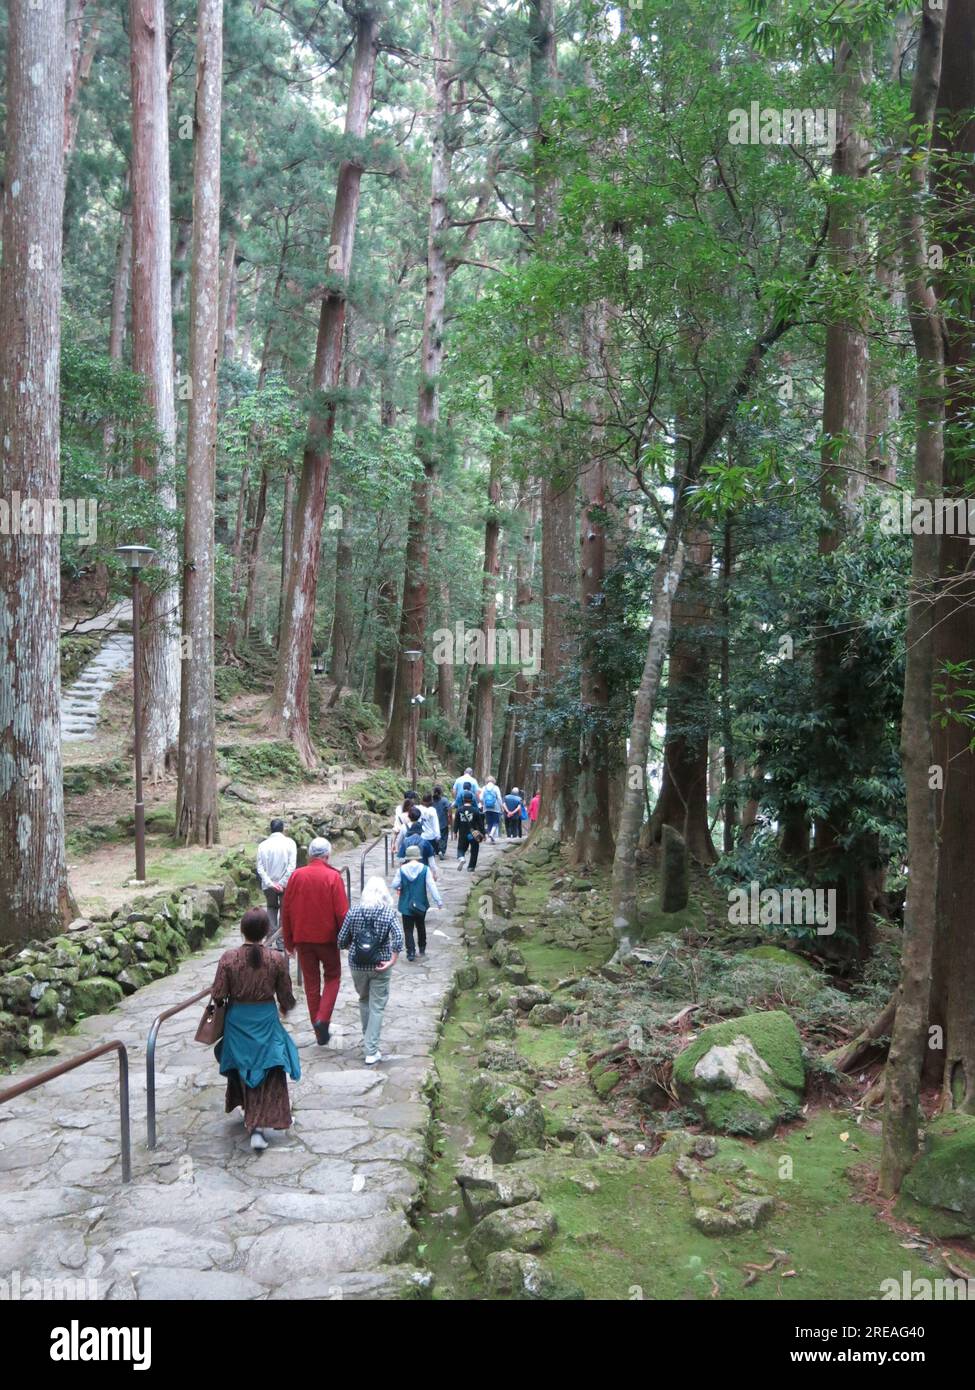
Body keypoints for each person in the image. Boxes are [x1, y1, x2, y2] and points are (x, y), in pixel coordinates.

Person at [210, 907, 301, 1152]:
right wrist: (285, 1007)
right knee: (270, 1068)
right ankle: (262, 1121)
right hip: (265, 1019)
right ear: (266, 931)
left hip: (238, 1021)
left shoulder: (228, 958)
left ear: (242, 930)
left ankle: (253, 1119)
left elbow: (218, 993)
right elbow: (285, 994)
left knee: (244, 1069)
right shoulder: (275, 959)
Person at [281, 837, 349, 1045]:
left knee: (311, 983)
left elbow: (287, 909)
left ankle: (318, 1030)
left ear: (310, 855)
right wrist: (345, 938)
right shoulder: (333, 877)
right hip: (327, 939)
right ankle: (323, 1018)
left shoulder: (296, 876)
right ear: (327, 855)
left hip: (302, 938)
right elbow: (342, 912)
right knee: (333, 976)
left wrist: (289, 940)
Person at [338, 876, 403, 1065]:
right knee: (377, 1006)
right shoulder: (388, 913)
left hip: (357, 965)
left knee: (364, 1000)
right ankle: (371, 1049)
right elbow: (398, 938)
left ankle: (368, 1042)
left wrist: (353, 948)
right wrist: (392, 959)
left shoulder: (354, 912)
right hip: (380, 964)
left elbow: (341, 939)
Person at [391, 843, 444, 961]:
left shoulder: (401, 870)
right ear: (418, 856)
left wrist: (400, 886)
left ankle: (410, 952)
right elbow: (431, 886)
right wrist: (438, 901)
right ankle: (422, 948)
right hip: (421, 904)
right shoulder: (425, 869)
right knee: (421, 925)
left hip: (405, 904)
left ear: (408, 857)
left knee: (408, 929)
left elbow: (394, 884)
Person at [255, 819, 297, 948]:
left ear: (270, 829)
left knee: (271, 908)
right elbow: (292, 866)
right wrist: (282, 882)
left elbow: (260, 867)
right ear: (282, 829)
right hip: (286, 884)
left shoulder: (263, 845)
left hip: (268, 885)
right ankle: (281, 940)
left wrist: (271, 883)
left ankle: (270, 936)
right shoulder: (290, 843)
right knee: (285, 909)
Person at [455, 791, 486, 871]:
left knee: (461, 848)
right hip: (473, 834)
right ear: (471, 800)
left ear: (463, 800)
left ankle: (461, 858)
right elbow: (480, 824)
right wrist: (483, 833)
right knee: (474, 850)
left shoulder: (459, 810)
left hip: (462, 834)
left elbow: (456, 822)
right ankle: (471, 867)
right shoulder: (475, 811)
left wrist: (455, 832)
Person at [432, 784, 451, 859]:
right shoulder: (444, 800)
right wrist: (450, 820)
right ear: (441, 792)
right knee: (443, 838)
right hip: (443, 822)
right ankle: (441, 851)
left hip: (433, 824)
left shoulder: (431, 800)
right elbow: (449, 810)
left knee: (435, 838)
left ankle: (436, 850)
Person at [480, 776, 502, 841]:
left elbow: (481, 798)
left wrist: (483, 804)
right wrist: (501, 806)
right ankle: (492, 834)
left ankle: (490, 836)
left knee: (489, 822)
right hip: (495, 808)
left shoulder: (484, 788)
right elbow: (499, 798)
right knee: (496, 822)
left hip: (486, 808)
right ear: (493, 781)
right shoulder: (496, 788)